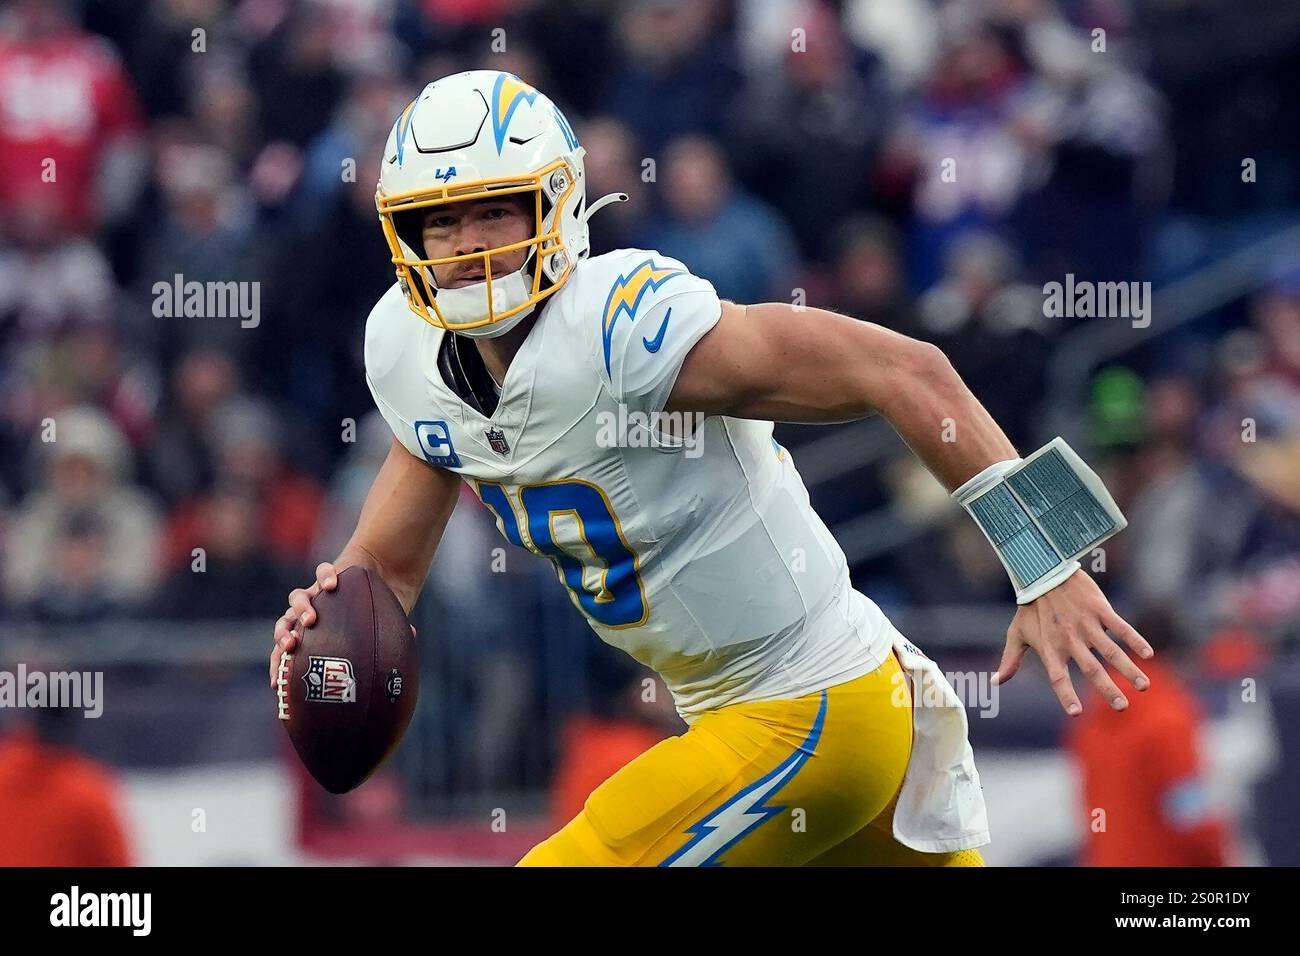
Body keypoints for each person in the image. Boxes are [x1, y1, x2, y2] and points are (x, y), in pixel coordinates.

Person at [269, 71, 1152, 867]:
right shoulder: (411, 354)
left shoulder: (621, 326)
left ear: (556, 207)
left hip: (814, 710)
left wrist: (1047, 557)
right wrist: (328, 614)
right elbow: (385, 566)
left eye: (495, 211)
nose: (469, 243)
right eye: (443, 219)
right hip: (782, 724)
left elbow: (904, 369)